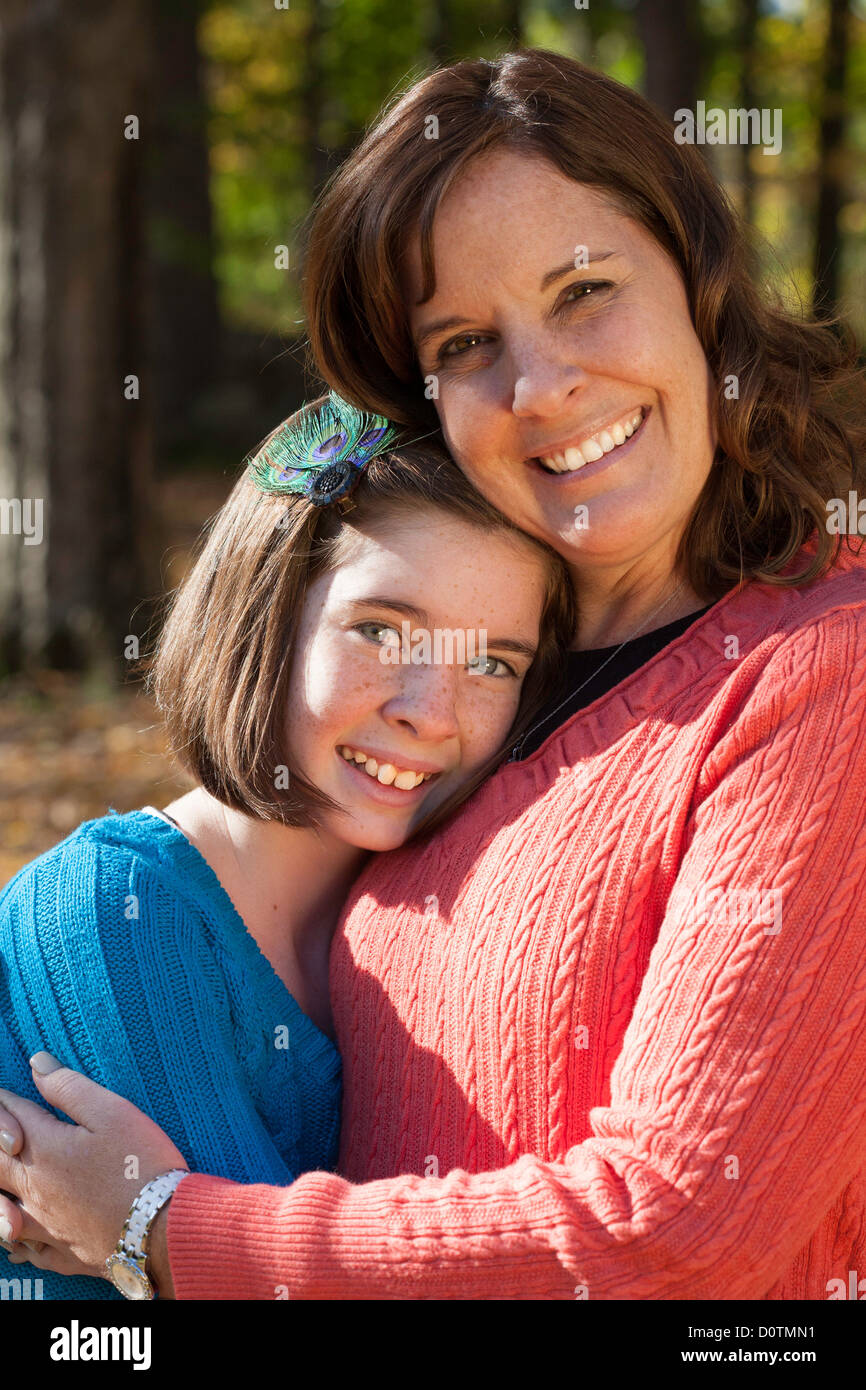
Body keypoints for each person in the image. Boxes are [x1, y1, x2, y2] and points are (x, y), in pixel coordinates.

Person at [1, 45, 866, 1301]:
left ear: (699, 281)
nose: (541, 383)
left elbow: (680, 1232)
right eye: (464, 340)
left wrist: (167, 1230)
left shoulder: (812, 673)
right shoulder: (497, 690)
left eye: (582, 289)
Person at [0, 392, 573, 1299]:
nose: (431, 711)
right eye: (383, 630)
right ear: (268, 609)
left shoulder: (429, 909)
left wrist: (143, 1227)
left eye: (492, 662)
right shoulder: (114, 910)